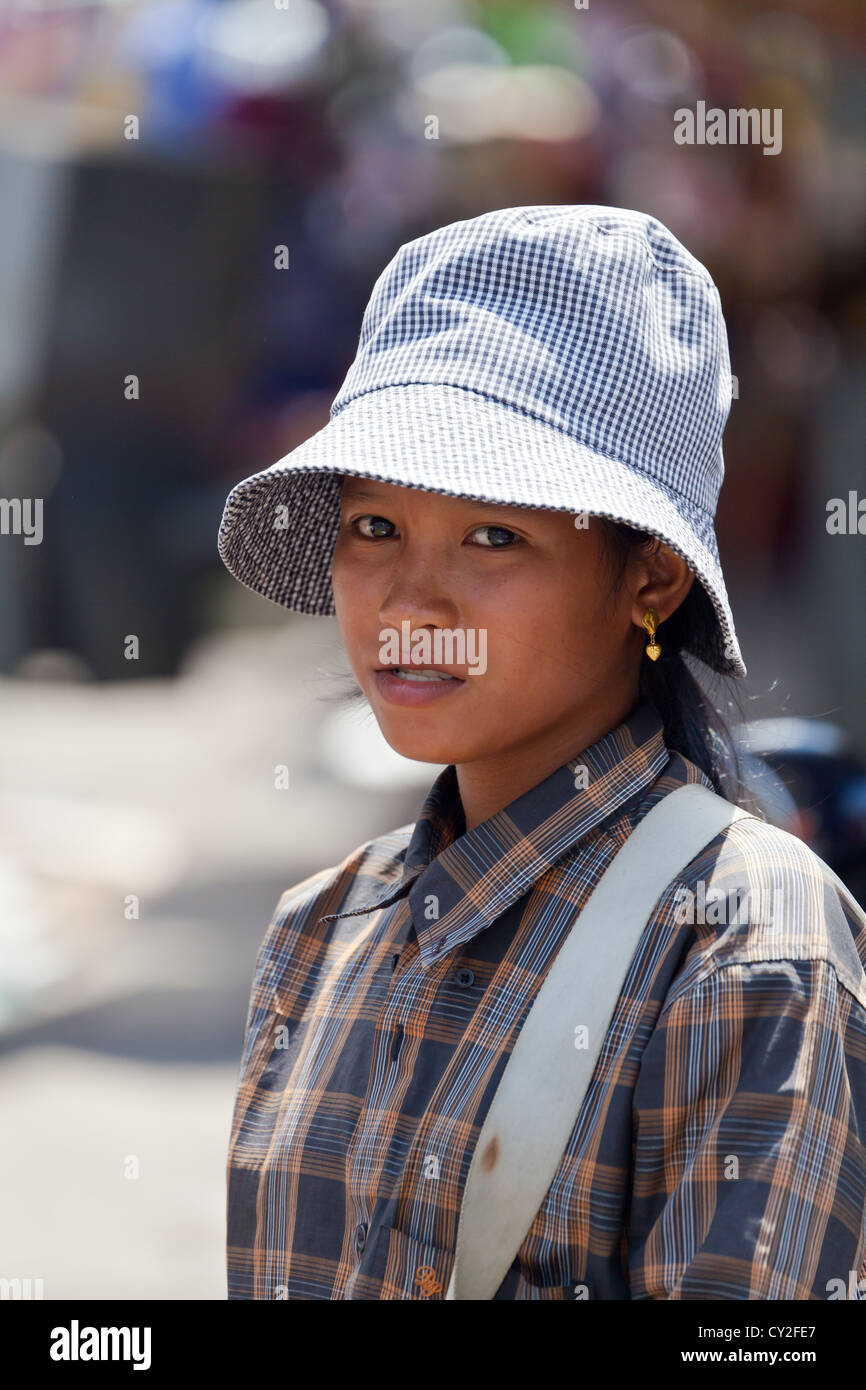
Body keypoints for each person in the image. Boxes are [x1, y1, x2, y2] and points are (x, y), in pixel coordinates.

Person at [217, 205, 866, 1300]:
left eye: (492, 536)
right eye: (373, 526)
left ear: (648, 579)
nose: (410, 601)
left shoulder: (743, 945)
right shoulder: (317, 932)